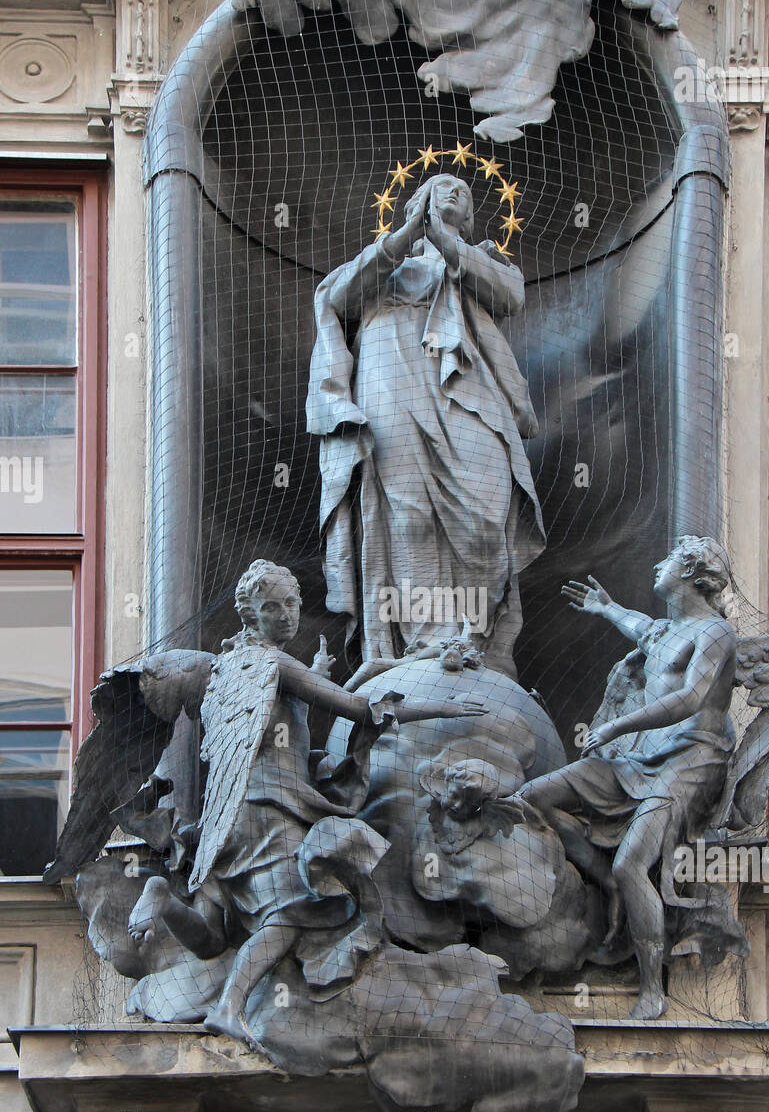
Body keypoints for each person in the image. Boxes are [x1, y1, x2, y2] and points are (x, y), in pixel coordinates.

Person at [127, 559, 483, 1049]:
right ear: (250, 614)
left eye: (292, 603)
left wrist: (370, 670)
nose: (287, 615)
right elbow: (359, 708)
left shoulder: (231, 665)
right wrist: (441, 706)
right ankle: (230, 1008)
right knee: (297, 908)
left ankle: (163, 897)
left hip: (226, 815)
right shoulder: (275, 664)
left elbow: (284, 729)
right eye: (272, 607)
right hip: (273, 810)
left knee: (212, 937)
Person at [306, 172, 545, 677]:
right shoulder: (386, 262)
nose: (454, 190)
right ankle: (422, 650)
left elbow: (510, 296)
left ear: (475, 214)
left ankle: (477, 642)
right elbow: (337, 298)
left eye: (463, 188)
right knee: (406, 513)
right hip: (388, 368)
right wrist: (401, 241)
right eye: (441, 186)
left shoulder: (479, 260)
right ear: (416, 204)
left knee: (485, 513)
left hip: (463, 380)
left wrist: (446, 242)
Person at [518, 537, 738, 1020]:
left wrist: (618, 725)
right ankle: (606, 882)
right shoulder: (665, 631)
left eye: (666, 560)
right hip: (644, 758)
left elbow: (690, 699)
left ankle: (652, 987)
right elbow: (642, 630)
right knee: (531, 798)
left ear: (689, 573)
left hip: (691, 761)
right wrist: (607, 608)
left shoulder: (716, 633)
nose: (655, 566)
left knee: (631, 864)